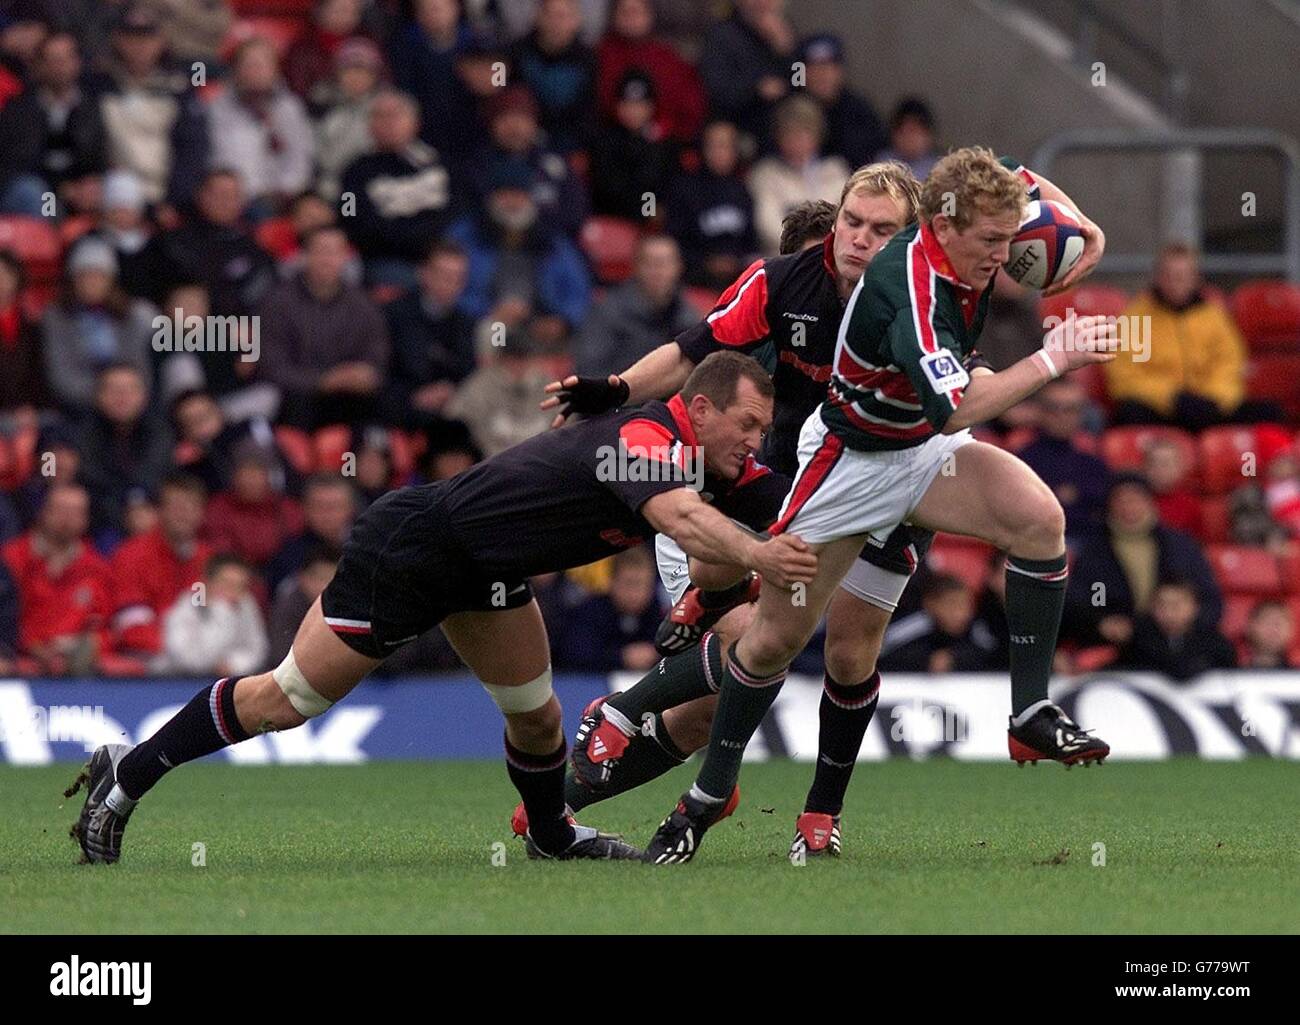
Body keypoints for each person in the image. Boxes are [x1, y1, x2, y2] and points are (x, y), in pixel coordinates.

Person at [68, 351, 817, 865]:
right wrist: (762, 558)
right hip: (416, 548)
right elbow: (683, 521)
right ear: (702, 407)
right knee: (286, 698)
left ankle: (552, 836)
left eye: (762, 431)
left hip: (488, 571)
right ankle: (126, 776)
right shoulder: (646, 436)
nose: (754, 442)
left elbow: (798, 499)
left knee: (538, 717)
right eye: (746, 425)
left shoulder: (709, 459)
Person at [641, 147, 1115, 864]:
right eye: (992, 241)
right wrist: (1056, 358)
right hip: (851, 463)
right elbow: (958, 408)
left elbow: (1024, 178)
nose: (1005, 252)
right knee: (773, 640)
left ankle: (1028, 712)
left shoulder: (971, 211)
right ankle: (704, 798)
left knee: (1039, 520)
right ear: (946, 227)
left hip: (916, 452)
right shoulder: (909, 288)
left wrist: (1087, 229)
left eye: (1007, 235)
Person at [542, 164, 936, 858]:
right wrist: (618, 388)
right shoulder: (771, 297)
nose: (855, 246)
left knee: (778, 673)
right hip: (745, 498)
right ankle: (622, 754)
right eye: (849, 227)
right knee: (752, 638)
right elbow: (692, 358)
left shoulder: (915, 303)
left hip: (847, 491)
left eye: (878, 232)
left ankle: (569, 805)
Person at [1106, 243, 1277, 429]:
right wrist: (1172, 398)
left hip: (1211, 406)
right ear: (1157, 277)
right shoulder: (1135, 318)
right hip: (1161, 409)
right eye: (1169, 276)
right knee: (1129, 413)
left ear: (1196, 278)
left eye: (1182, 276)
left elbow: (1231, 366)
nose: (1175, 283)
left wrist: (1212, 399)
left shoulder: (1215, 317)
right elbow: (1125, 378)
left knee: (1270, 413)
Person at [256, 225, 389, 430]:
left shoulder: (363, 303)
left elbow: (376, 353)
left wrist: (365, 374)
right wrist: (323, 381)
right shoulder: (277, 302)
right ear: (305, 255)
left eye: (336, 252)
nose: (328, 260)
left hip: (351, 396)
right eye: (322, 251)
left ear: (346, 257)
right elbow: (271, 366)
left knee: (382, 408)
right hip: (298, 397)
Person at [338, 88, 452, 287]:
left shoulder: (438, 165)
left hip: (440, 255)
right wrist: (408, 240)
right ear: (370, 125)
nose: (388, 123)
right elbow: (351, 218)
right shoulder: (354, 172)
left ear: (415, 123)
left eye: (396, 115)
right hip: (387, 260)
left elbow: (453, 209)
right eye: (380, 116)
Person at [2, 483, 111, 676]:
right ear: (43, 511)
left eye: (75, 512)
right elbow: (7, 616)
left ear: (86, 519)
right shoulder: (11, 559)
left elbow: (104, 625)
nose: (67, 519)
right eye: (60, 510)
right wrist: (33, 646)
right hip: (18, 660)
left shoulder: (96, 568)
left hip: (77, 666)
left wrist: (83, 646)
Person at [41, 237, 155, 414]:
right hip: (79, 403)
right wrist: (104, 396)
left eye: (99, 276)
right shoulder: (56, 316)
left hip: (131, 400)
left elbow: (141, 366)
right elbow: (61, 375)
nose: (91, 283)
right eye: (84, 276)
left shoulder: (135, 314)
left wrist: (126, 396)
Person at [207, 36, 315, 219]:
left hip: (276, 198)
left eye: (262, 64)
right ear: (236, 70)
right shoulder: (218, 107)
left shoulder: (289, 108)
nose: (255, 70)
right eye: (249, 64)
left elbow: (300, 159)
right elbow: (214, 156)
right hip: (228, 196)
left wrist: (284, 192)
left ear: (275, 70)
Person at [109, 471, 213, 660]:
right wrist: (181, 651)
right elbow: (131, 625)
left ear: (202, 513)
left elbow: (215, 616)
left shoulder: (209, 561)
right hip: (147, 662)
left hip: (200, 659)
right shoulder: (132, 555)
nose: (183, 514)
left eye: (191, 507)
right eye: (176, 507)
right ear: (160, 511)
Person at [0, 31, 106, 217]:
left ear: (77, 62)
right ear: (40, 65)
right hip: (40, 186)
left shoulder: (92, 107)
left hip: (81, 186)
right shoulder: (20, 109)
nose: (60, 67)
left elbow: (99, 154)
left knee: (122, 190)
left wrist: (92, 182)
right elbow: (18, 164)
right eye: (53, 60)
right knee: (43, 199)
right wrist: (62, 188)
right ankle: (48, 243)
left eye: (66, 59)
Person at [379, 241, 477, 428]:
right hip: (401, 408)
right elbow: (382, 371)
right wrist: (414, 396)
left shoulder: (466, 322)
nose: (451, 285)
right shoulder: (393, 315)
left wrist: (450, 390)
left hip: (450, 410)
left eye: (458, 278)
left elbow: (469, 371)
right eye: (445, 276)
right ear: (424, 274)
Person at [74, 363, 173, 540]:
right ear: (98, 396)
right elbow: (92, 480)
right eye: (113, 390)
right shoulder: (81, 434)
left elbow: (155, 473)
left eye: (130, 390)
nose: (121, 397)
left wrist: (140, 503)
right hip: (102, 520)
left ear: (144, 396)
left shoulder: (161, 431)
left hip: (154, 513)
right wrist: (126, 512)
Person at [574, 234, 696, 375]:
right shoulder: (609, 311)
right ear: (635, 267)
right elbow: (588, 367)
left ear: (679, 267)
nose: (658, 271)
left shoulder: (687, 315)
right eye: (650, 263)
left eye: (664, 262)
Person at [747, 95, 849, 255]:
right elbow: (767, 226)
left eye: (804, 133)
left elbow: (844, 220)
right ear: (778, 137)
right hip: (783, 261)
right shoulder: (765, 173)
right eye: (789, 133)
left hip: (830, 258)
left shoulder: (835, 170)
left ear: (817, 135)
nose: (796, 140)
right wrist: (808, 248)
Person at [1015, 377, 1110, 547]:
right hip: (1037, 546)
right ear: (1040, 411)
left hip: (1092, 548)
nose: (1062, 416)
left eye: (1071, 409)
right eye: (1054, 409)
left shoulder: (1094, 462)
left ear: (1082, 414)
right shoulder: (1021, 461)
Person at [595, 0, 704, 145]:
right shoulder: (599, 57)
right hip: (611, 144)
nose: (631, 18)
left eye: (637, 12)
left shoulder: (668, 58)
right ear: (614, 16)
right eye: (625, 12)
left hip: (663, 146)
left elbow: (691, 109)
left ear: (650, 16)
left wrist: (664, 126)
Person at [666, 118, 756, 288]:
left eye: (725, 146)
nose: (718, 152)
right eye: (713, 146)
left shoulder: (743, 190)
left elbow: (751, 241)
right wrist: (707, 262)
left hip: (738, 276)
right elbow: (675, 242)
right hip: (695, 276)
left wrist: (735, 261)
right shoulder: (683, 188)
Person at [555, 546, 665, 672]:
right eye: (629, 583)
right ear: (612, 581)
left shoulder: (661, 614)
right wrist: (621, 658)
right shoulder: (590, 611)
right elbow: (574, 656)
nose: (634, 594)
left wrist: (654, 656)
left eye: (642, 584)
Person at [161, 552, 269, 677]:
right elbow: (188, 659)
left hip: (230, 680)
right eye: (227, 583)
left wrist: (234, 665)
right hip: (182, 683)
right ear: (208, 582)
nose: (234, 592)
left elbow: (257, 649)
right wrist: (223, 612)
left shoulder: (245, 602)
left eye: (241, 585)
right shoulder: (188, 606)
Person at [588, 69, 676, 222]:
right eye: (627, 104)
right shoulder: (604, 141)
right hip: (612, 220)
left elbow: (660, 188)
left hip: (650, 222)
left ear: (651, 107)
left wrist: (650, 211)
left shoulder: (663, 143)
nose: (633, 111)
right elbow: (608, 190)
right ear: (617, 106)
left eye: (640, 105)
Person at [876, 572, 1001, 673]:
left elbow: (991, 652)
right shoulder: (916, 625)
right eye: (952, 605)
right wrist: (926, 660)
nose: (960, 613)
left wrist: (953, 658)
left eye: (965, 605)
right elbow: (883, 650)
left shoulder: (975, 626)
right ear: (930, 604)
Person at [1117, 577, 1237, 681]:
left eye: (1176, 605)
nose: (1168, 613)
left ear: (1194, 606)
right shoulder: (1136, 644)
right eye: (1161, 605)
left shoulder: (1216, 645)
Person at [798, 33, 886, 171]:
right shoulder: (791, 108)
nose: (822, 75)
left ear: (840, 71)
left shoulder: (859, 111)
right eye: (814, 68)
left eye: (828, 68)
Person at [877, 97, 939, 180]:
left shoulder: (940, 171)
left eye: (914, 131)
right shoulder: (881, 165)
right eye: (903, 132)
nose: (909, 139)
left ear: (928, 135)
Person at [1240, 600, 1295, 670]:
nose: (1274, 628)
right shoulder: (1227, 673)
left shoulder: (1296, 677)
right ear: (1250, 626)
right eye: (1267, 620)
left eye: (1281, 622)